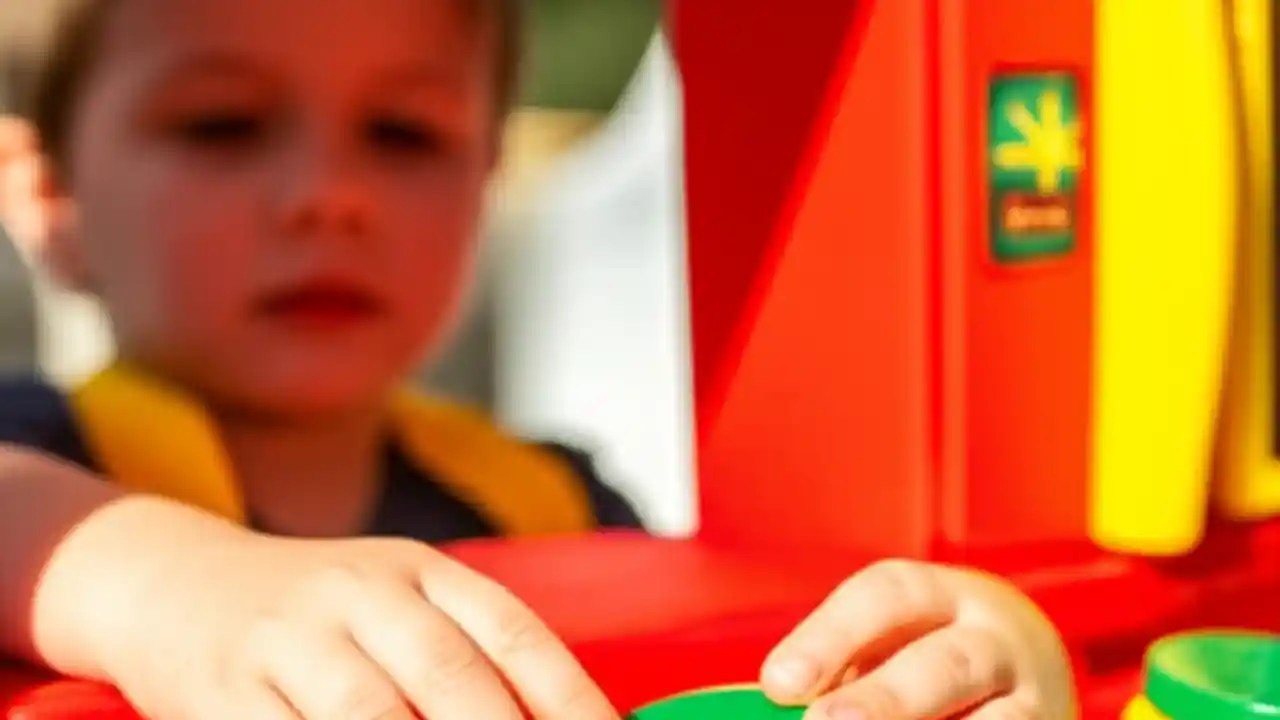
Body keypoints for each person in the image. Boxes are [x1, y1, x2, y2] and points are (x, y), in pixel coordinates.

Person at [0, 0, 1077, 718]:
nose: (330, 196)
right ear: (48, 198)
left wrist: (968, 660)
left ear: (484, 185)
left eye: (405, 133)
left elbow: (763, 673)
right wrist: (176, 589)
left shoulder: (554, 497)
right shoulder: (47, 452)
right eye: (223, 125)